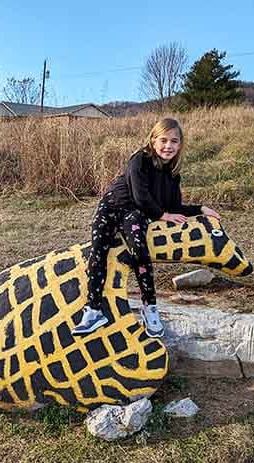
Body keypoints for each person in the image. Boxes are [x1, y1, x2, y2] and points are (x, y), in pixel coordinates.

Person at [72, 117, 221, 337]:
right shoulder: (139, 159)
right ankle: (94, 309)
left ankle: (149, 307)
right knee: (98, 252)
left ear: (180, 145)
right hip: (112, 206)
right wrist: (163, 215)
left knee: (140, 252)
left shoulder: (173, 174)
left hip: (136, 213)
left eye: (174, 141)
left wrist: (200, 209)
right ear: (153, 140)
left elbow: (173, 205)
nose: (168, 146)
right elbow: (141, 196)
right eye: (163, 140)